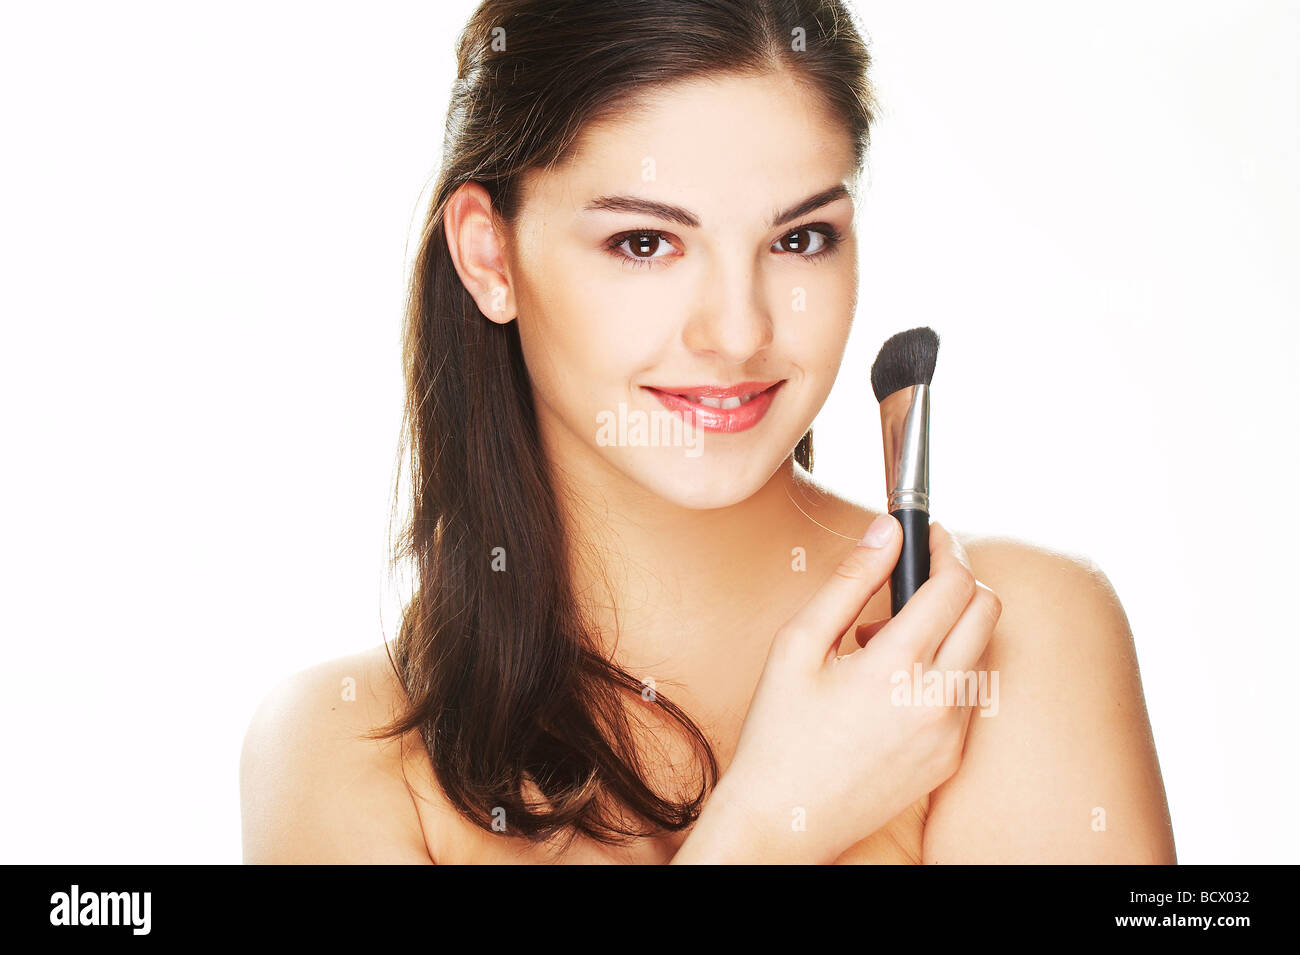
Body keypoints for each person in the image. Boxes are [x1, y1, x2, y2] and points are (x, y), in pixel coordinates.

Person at [240, 0, 1176, 864]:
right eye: (645, 243)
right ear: (490, 255)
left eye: (798, 238)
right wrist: (768, 825)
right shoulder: (342, 749)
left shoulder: (1007, 637)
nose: (738, 332)